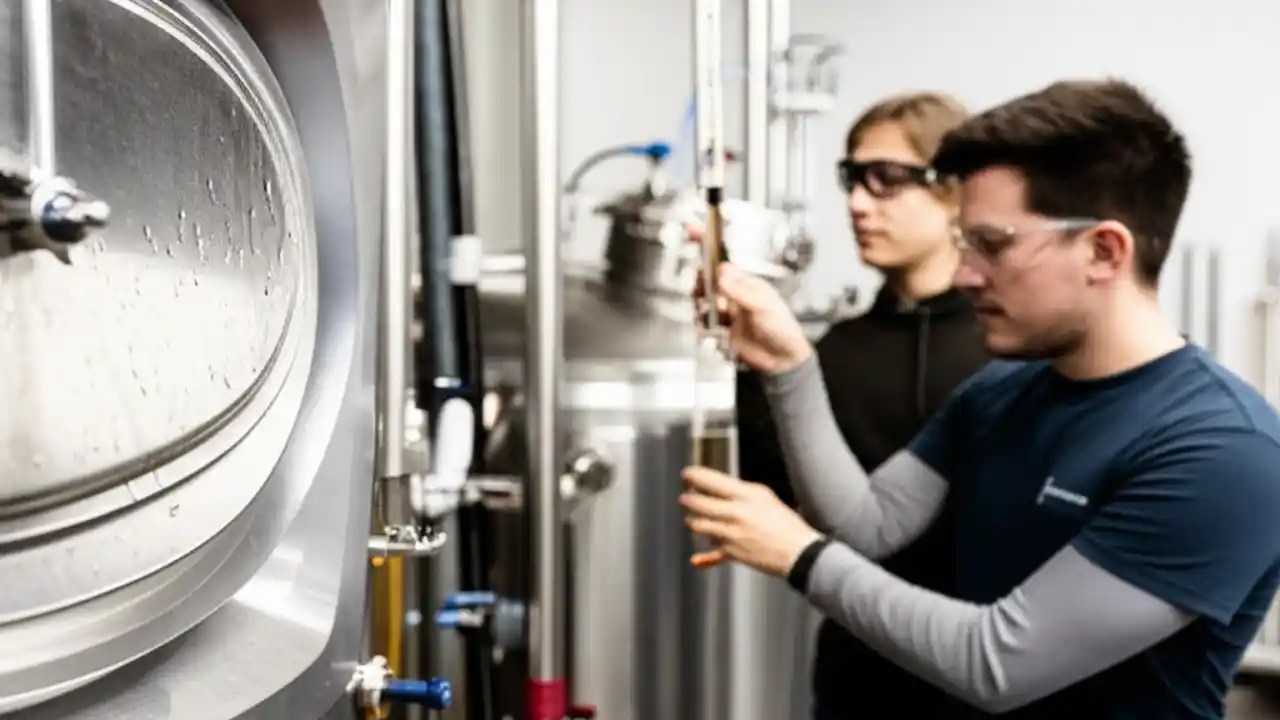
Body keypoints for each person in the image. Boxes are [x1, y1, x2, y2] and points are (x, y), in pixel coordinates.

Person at [680, 78, 1280, 719]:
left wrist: (797, 554)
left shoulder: (1224, 452)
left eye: (992, 246)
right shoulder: (1003, 388)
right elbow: (868, 526)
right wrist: (787, 364)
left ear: (1104, 251)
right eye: (967, 244)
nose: (966, 274)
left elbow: (995, 662)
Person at [732, 91, 988, 719]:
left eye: (887, 181)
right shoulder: (836, 352)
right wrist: (751, 362)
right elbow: (782, 503)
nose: (856, 203)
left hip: (981, 677)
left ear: (954, 190)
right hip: (859, 680)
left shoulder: (1005, 351)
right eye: (852, 178)